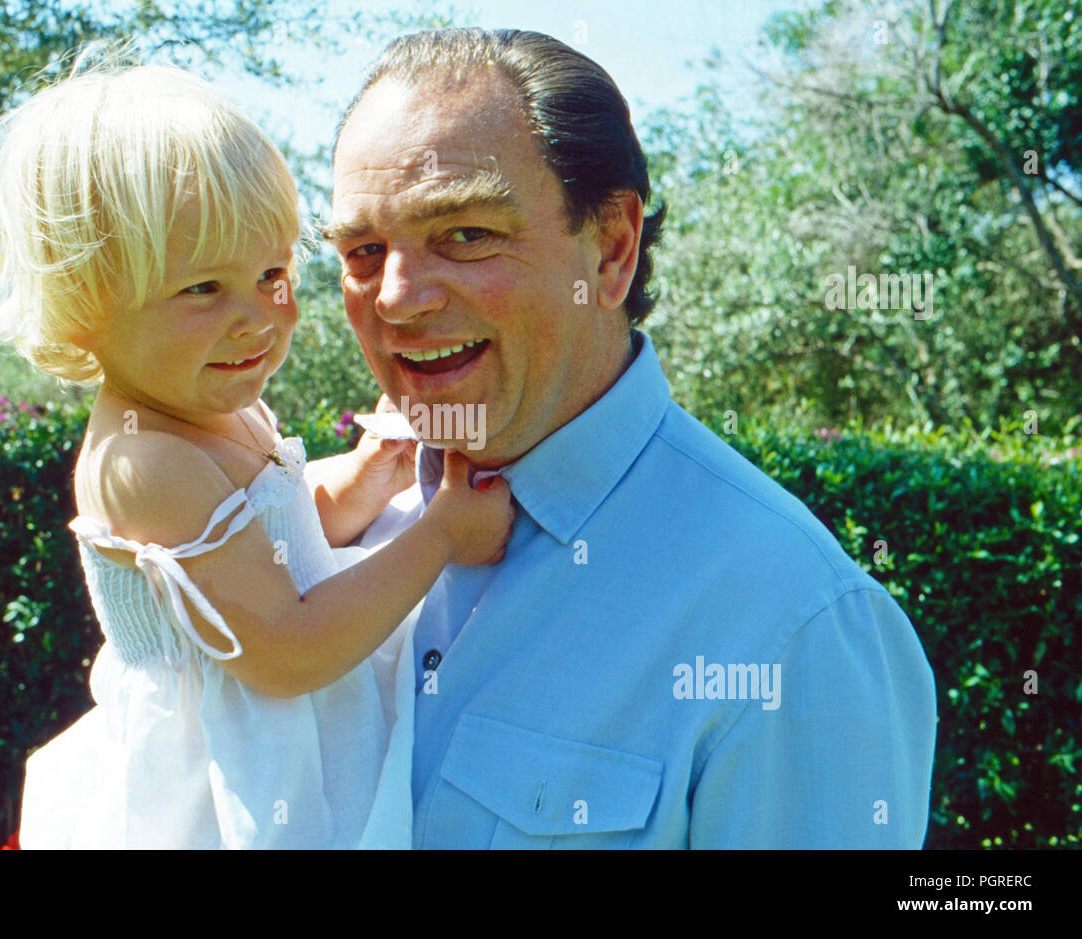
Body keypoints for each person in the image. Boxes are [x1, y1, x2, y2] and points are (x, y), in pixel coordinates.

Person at [322, 28, 939, 848]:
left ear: (612, 248)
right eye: (363, 250)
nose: (395, 297)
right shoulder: (322, 530)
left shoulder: (798, 624)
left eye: (465, 234)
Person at [0, 58, 514, 848]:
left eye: (270, 274)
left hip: (299, 715)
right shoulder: (143, 462)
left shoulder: (209, 398)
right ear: (86, 303)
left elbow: (275, 531)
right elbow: (287, 650)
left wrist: (362, 478)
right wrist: (441, 537)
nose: (256, 318)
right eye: (202, 290)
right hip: (235, 774)